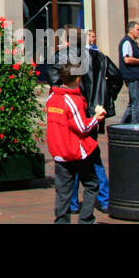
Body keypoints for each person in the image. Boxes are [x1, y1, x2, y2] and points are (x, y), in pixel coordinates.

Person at [69, 28, 122, 214]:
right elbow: (117, 77)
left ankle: (73, 203)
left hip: (78, 110)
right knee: (93, 154)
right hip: (96, 110)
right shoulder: (99, 57)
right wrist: (107, 97)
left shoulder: (71, 59)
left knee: (75, 156)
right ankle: (105, 199)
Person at [46, 62, 106, 224]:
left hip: (59, 151)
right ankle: (86, 219)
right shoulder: (72, 100)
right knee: (92, 184)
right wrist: (96, 118)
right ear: (78, 79)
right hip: (76, 151)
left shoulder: (53, 97)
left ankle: (61, 221)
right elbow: (82, 127)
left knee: (63, 191)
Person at [118, 21, 139, 124]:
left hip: (134, 76)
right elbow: (127, 59)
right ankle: (136, 126)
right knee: (137, 104)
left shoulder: (132, 42)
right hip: (132, 76)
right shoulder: (127, 42)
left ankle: (123, 125)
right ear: (130, 30)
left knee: (132, 103)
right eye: (138, 30)